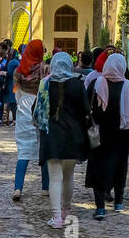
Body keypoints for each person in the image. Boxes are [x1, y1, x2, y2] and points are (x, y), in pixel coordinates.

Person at [33, 52, 90, 227]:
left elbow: (36, 110)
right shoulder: (78, 85)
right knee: (69, 176)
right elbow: (86, 110)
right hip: (73, 136)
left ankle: (56, 217)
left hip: (52, 136)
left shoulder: (45, 85)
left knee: (54, 178)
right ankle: (66, 211)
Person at [86, 52, 129, 220]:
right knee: (120, 167)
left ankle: (100, 208)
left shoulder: (97, 83)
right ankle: (118, 202)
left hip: (99, 136)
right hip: (121, 136)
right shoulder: (128, 87)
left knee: (98, 167)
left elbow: (86, 108)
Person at [12, 38, 50, 202]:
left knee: (24, 150)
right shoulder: (45, 69)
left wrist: (23, 103)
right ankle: (45, 188)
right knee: (45, 149)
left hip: (24, 109)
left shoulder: (19, 70)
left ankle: (18, 188)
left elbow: (16, 93)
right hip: (40, 108)